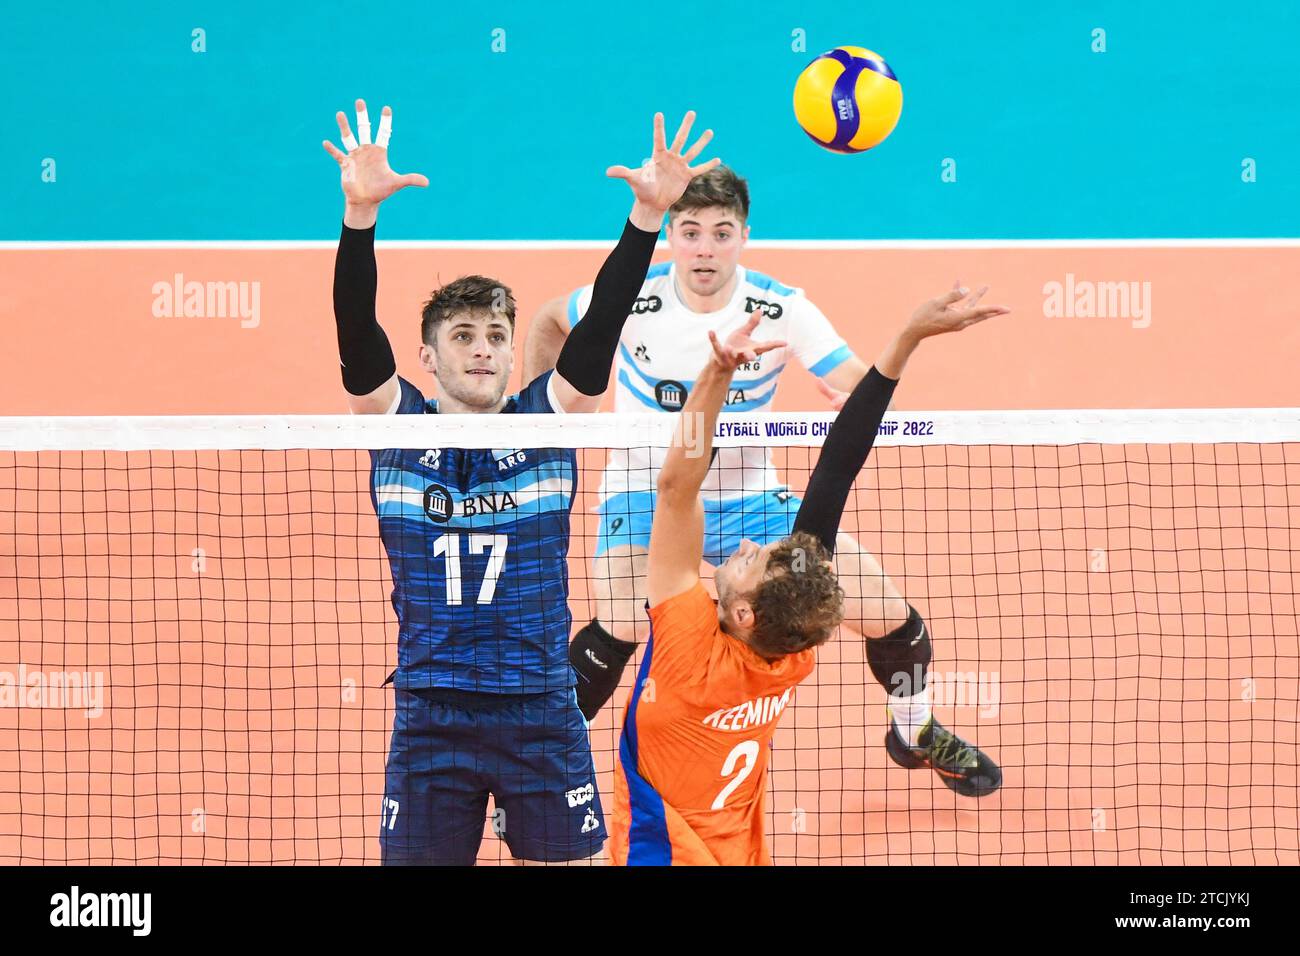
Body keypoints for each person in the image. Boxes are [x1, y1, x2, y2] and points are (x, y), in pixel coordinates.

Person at [322, 98, 718, 864]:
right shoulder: (393, 422)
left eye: (497, 337)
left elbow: (601, 323)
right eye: (462, 337)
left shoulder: (549, 417)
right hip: (432, 716)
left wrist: (645, 218)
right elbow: (354, 331)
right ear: (429, 357)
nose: (483, 350)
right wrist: (358, 220)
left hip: (541, 709)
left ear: (512, 354)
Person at [524, 167, 1003, 798]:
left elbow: (863, 379)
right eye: (690, 232)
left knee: (894, 618)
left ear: (743, 235)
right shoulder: (630, 301)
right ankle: (538, 767)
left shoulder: (780, 307)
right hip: (647, 492)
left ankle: (913, 731)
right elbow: (549, 322)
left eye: (721, 233)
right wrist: (549, 414)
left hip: (753, 505)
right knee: (620, 625)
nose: (704, 249)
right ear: (669, 232)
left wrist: (851, 395)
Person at [610, 287, 1008, 865]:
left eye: (748, 559)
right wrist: (905, 342)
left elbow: (675, 489)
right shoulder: (790, 651)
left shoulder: (689, 650)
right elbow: (838, 465)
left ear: (743, 613)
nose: (744, 544)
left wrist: (716, 374)